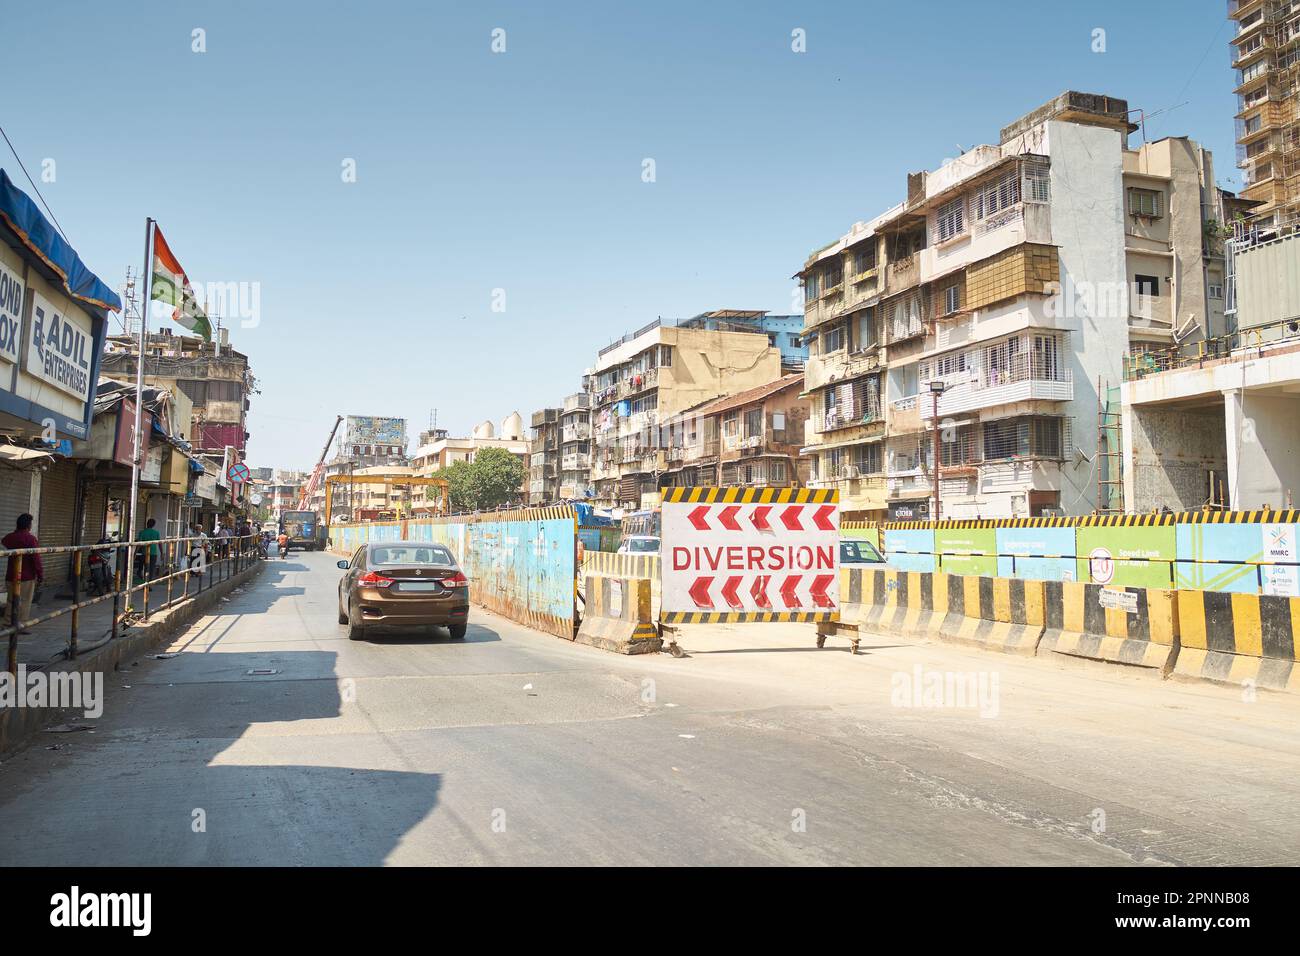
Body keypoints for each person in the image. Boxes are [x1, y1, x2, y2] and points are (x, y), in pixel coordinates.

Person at [3, 514, 43, 634]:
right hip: (27, 576)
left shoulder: (10, 537)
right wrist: (40, 574)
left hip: (11, 575)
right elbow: (36, 559)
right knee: (25, 600)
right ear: (28, 525)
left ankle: (7, 624)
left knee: (11, 600)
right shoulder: (30, 539)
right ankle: (21, 624)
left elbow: (4, 541)